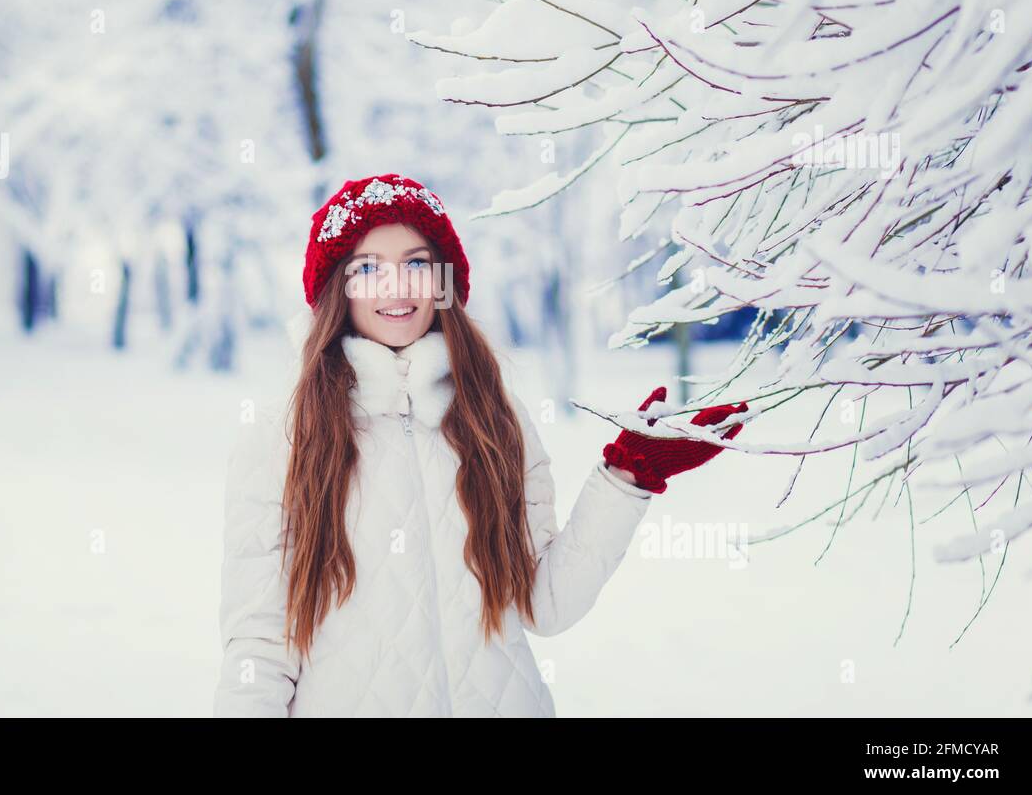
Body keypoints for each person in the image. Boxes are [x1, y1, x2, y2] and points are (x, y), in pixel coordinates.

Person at [213, 173, 747, 717]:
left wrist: (626, 476)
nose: (397, 288)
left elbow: (545, 602)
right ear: (337, 288)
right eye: (368, 268)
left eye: (417, 264)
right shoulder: (285, 437)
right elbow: (258, 646)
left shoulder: (493, 417)